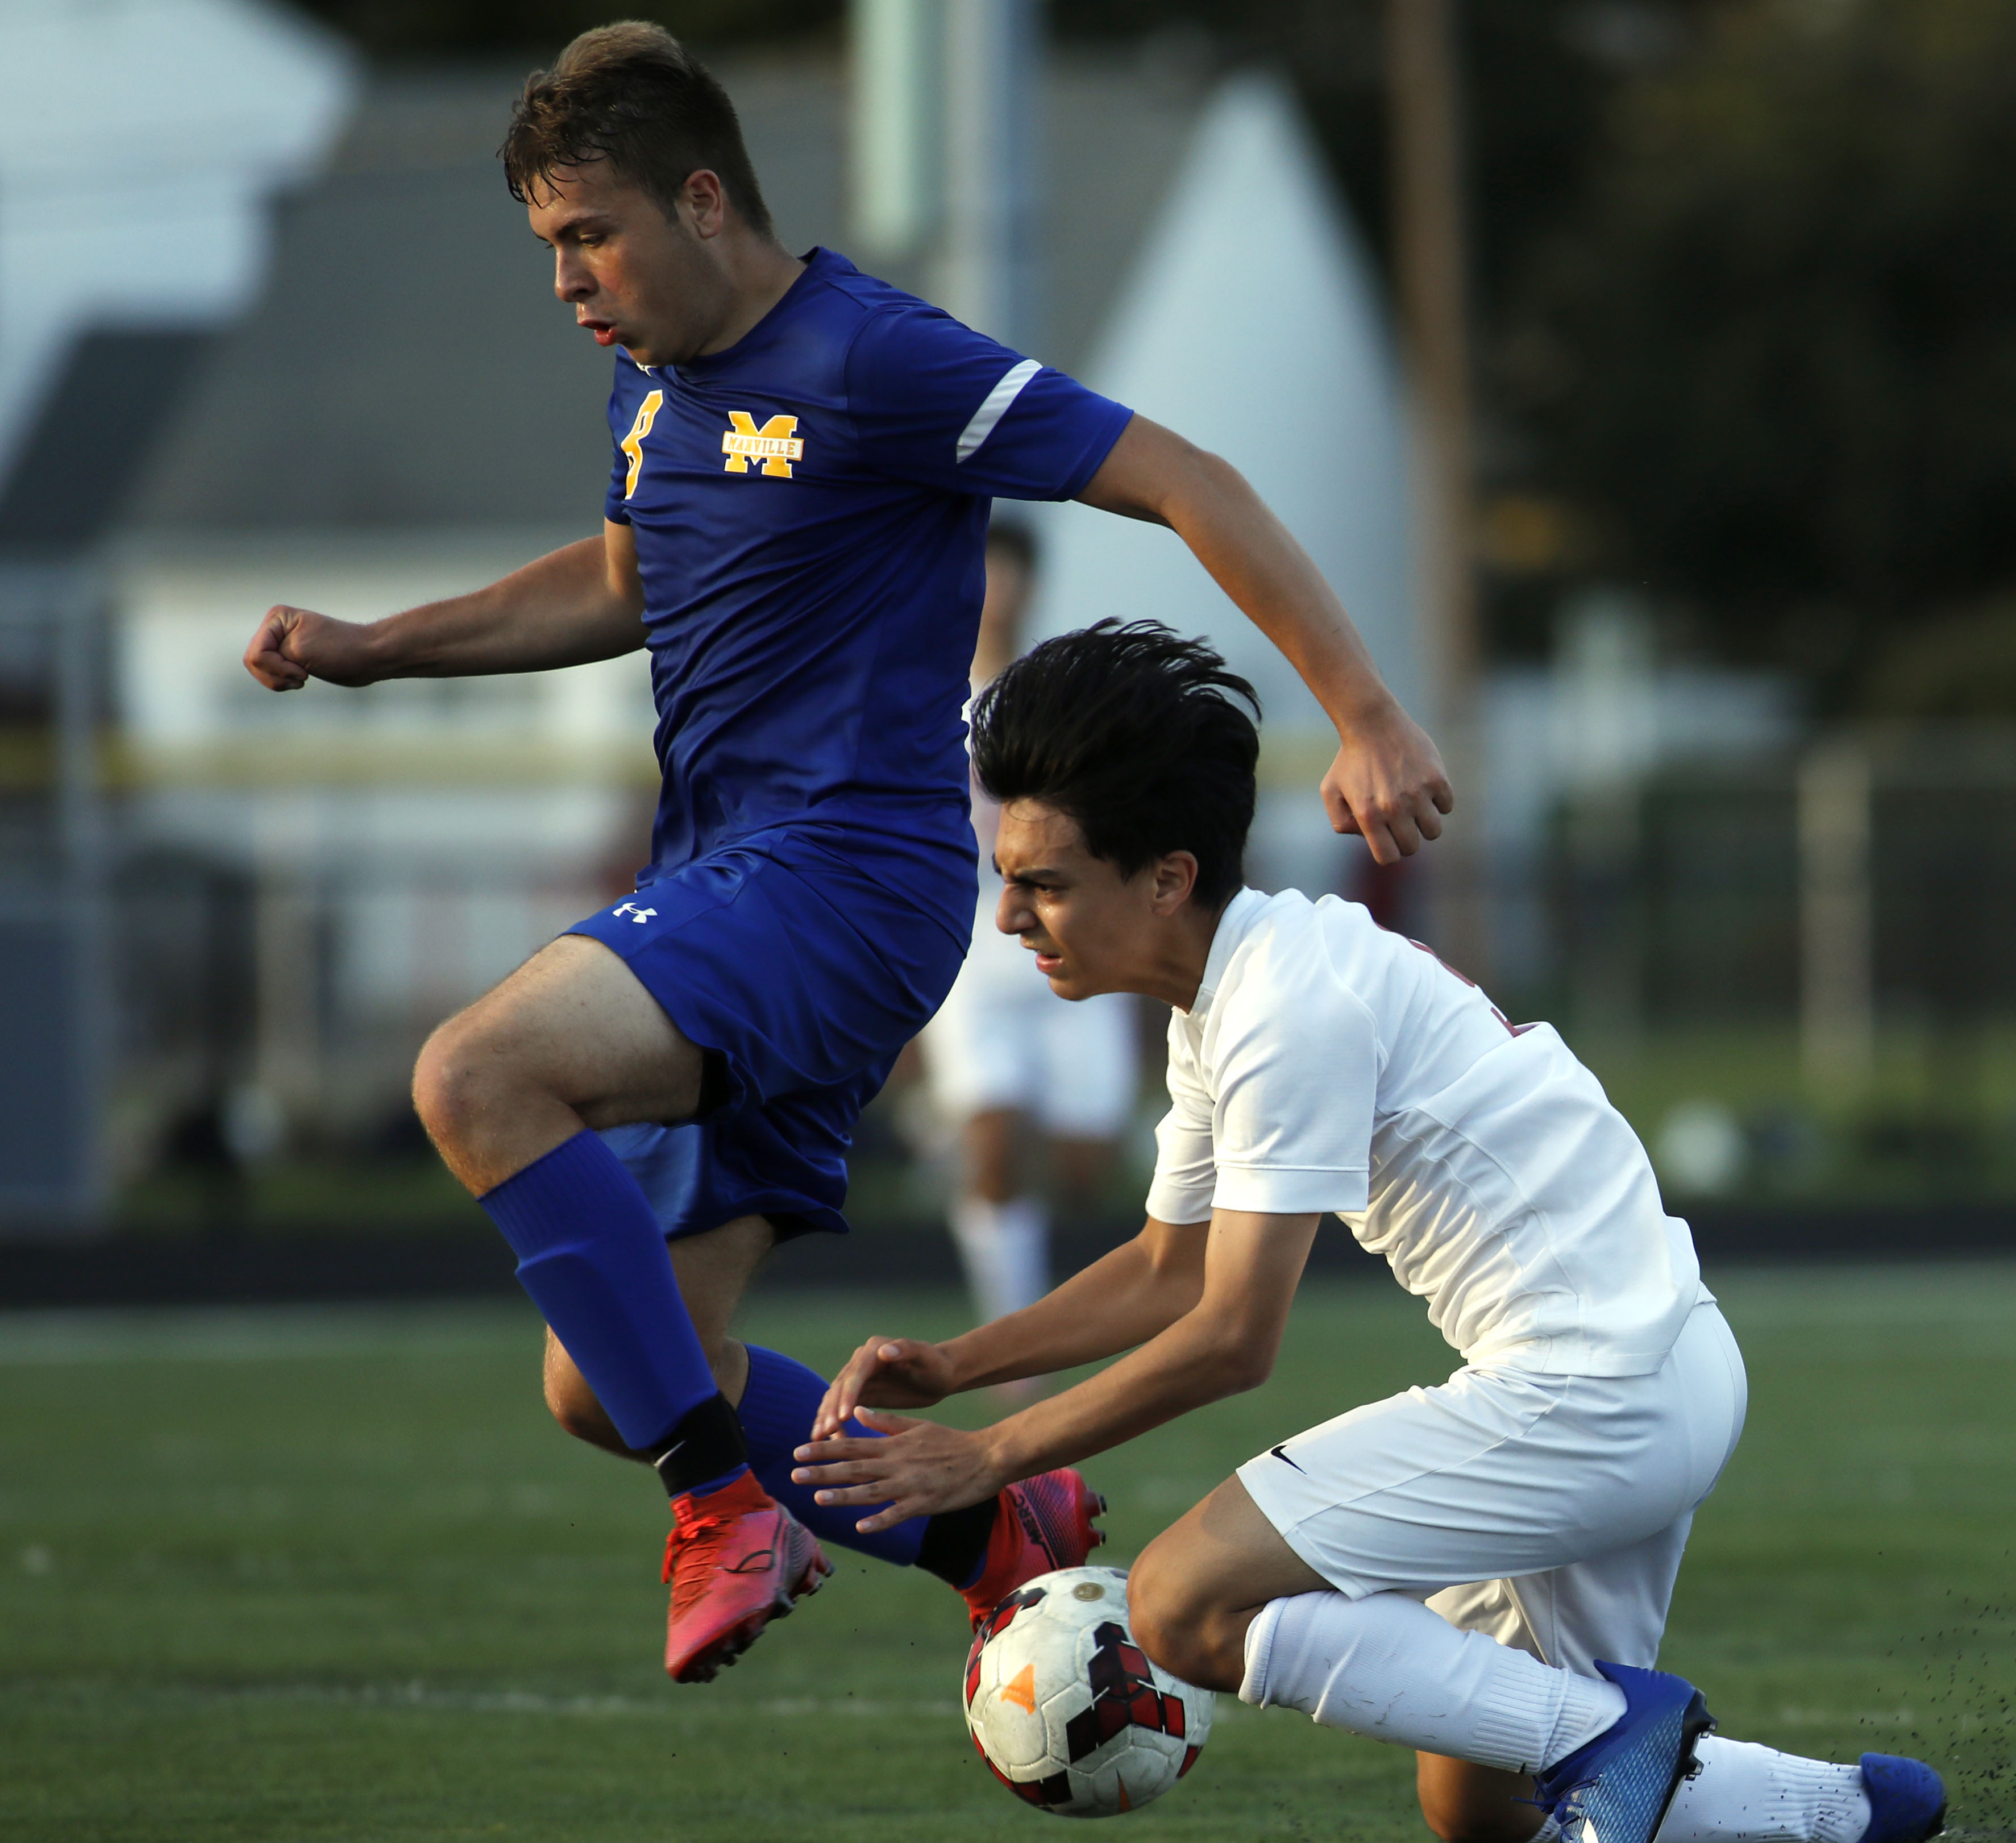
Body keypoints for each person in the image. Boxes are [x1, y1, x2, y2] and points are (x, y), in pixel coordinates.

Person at [236, 26, 1450, 1685]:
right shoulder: (651, 379)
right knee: (612, 1372)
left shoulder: (877, 357)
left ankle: (722, 1508)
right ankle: (990, 1532)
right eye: (547, 248)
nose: (566, 281)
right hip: (735, 876)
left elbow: (1185, 474)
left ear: (704, 197)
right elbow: (619, 579)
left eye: (588, 236)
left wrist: (1367, 711)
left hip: (835, 883)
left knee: (471, 1075)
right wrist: (386, 646)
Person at [789, 624, 1945, 1843]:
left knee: (1179, 1604)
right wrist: (963, 1359)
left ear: (1166, 878)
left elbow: (1232, 1335)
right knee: (1478, 1799)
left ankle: (1613, 1737)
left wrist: (985, 1456)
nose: (1007, 917)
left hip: (1593, 1386)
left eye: (1041, 885)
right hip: (1643, 1370)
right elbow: (1169, 1265)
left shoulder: (1281, 1004)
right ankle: (1844, 1809)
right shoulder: (1227, 990)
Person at [911, 522, 1140, 1346]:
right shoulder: (919, 696)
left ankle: (946, 1134)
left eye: (1009, 577)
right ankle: (1010, 1343)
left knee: (1087, 1164)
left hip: (1068, 930)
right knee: (996, 1136)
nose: (996, 594)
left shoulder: (1062, 694)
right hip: (970, 932)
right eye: (983, 577)